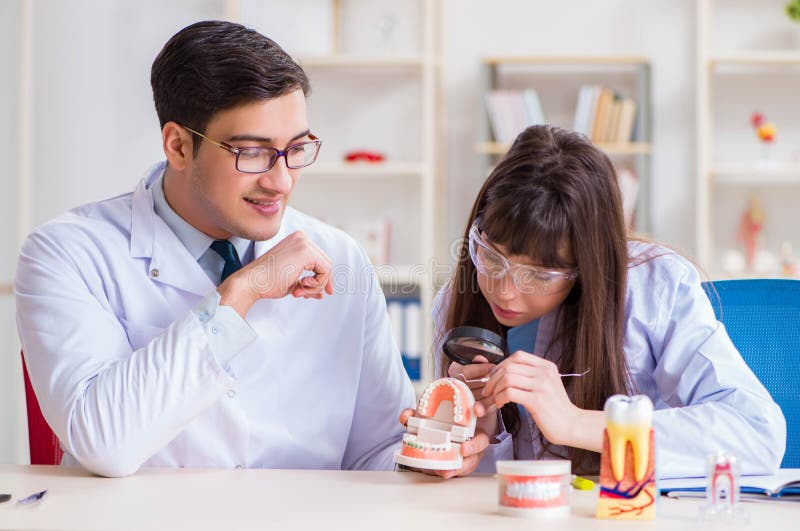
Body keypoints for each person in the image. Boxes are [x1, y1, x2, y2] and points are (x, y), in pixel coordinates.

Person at [15, 20, 415, 477]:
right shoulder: (67, 253)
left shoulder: (340, 257)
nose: (281, 182)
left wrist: (438, 449)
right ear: (178, 146)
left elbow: (377, 450)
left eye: (297, 149)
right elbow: (104, 443)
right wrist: (244, 291)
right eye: (252, 152)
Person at [407, 124, 785, 479]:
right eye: (491, 256)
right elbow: (497, 485)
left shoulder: (655, 288)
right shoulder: (457, 302)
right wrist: (475, 439)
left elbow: (756, 433)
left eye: (539, 275)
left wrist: (575, 423)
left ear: (587, 268)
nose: (503, 291)